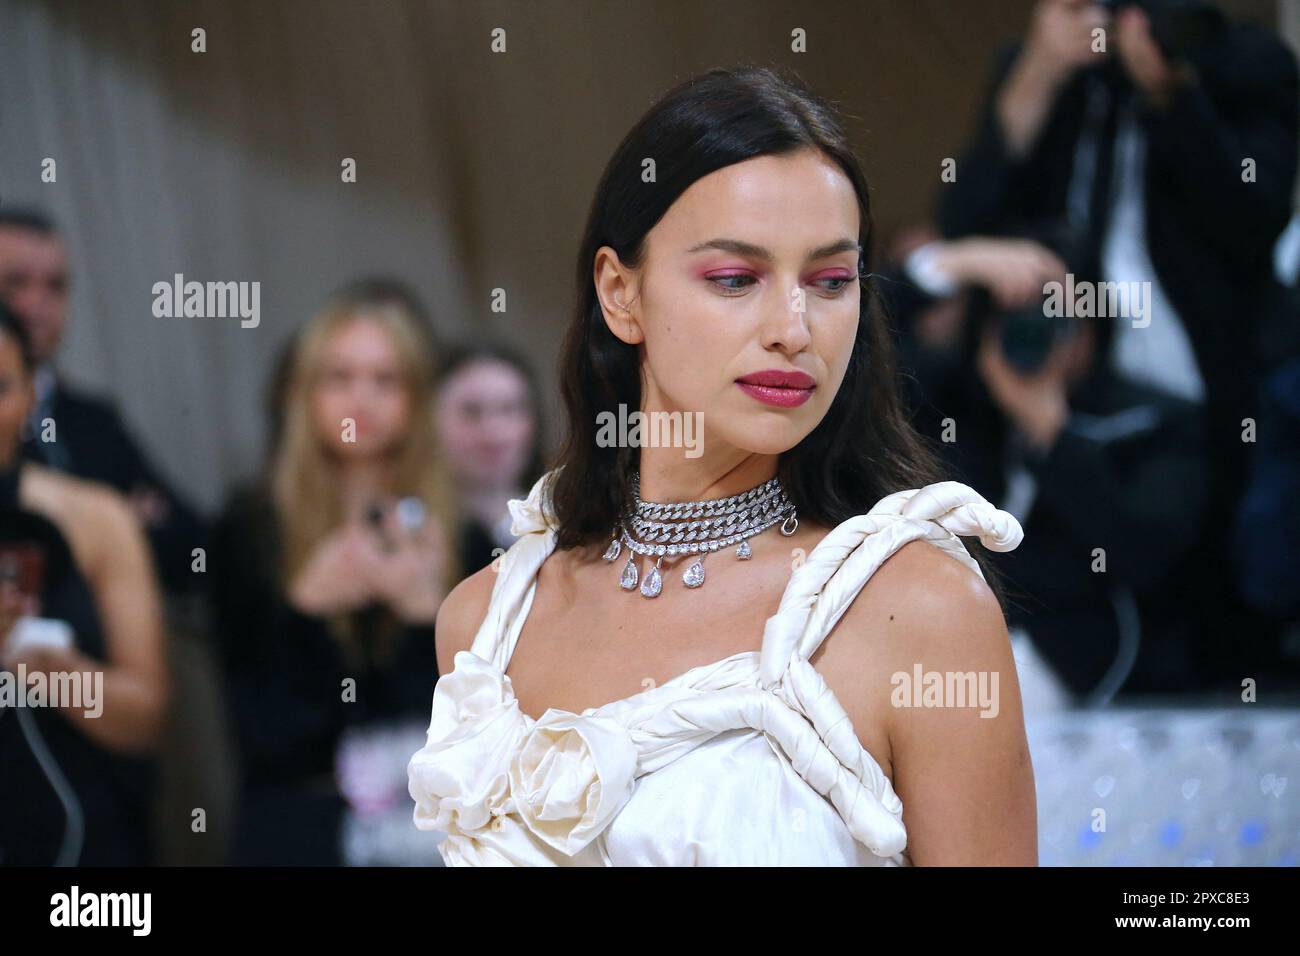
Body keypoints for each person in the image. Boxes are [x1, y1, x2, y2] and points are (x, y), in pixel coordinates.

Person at [408, 66, 1036, 866]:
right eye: (735, 278)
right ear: (620, 294)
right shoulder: (485, 625)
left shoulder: (918, 607)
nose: (793, 327)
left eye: (832, 280)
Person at [938, 0, 1299, 685]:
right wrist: (1039, 75)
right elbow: (964, 219)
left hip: (1210, 392)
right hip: (1067, 367)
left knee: (1214, 624)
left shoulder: (1242, 61)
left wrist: (1172, 95)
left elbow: (1256, 222)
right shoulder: (1049, 66)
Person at [208, 282, 457, 865]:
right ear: (303, 394)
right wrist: (306, 611)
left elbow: (476, 734)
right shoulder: (250, 529)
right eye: (339, 378)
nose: (361, 400)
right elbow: (262, 735)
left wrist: (427, 616)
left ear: (417, 399)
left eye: (385, 379)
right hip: (297, 832)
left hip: (427, 832)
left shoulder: (455, 532)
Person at [0, 301, 169, 865]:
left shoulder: (93, 518)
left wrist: (41, 660)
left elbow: (144, 719)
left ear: (30, 396)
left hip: (84, 837)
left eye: (0, 386)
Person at [0, 208, 208, 596]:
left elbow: (192, 543)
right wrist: (116, 521)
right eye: (16, 283)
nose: (36, 305)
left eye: (55, 287)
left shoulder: (92, 419)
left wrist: (112, 532)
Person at [433, 343, 545, 576]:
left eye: (509, 409)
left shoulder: (564, 528)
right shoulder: (411, 530)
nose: (494, 432)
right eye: (471, 411)